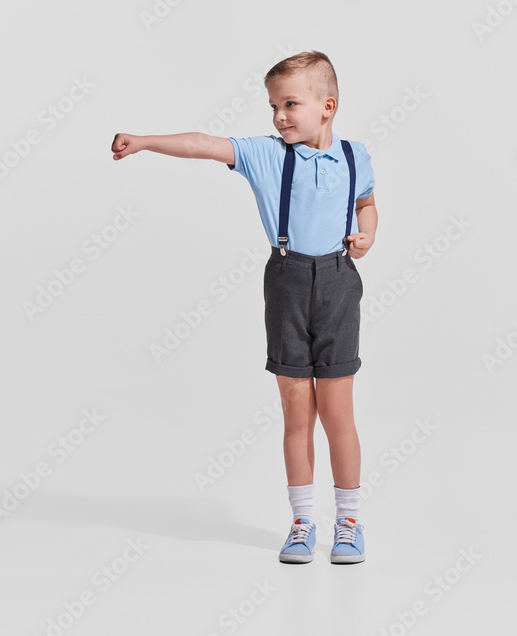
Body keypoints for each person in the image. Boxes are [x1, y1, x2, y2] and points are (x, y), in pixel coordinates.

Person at [110, 50, 377, 564]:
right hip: (287, 281)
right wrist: (145, 142)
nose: (279, 116)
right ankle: (302, 522)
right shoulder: (266, 154)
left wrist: (367, 234)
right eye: (274, 105)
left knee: (338, 412)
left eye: (290, 104)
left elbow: (367, 203)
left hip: (340, 283)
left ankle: (348, 522)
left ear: (328, 106)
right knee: (297, 409)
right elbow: (204, 144)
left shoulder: (354, 155)